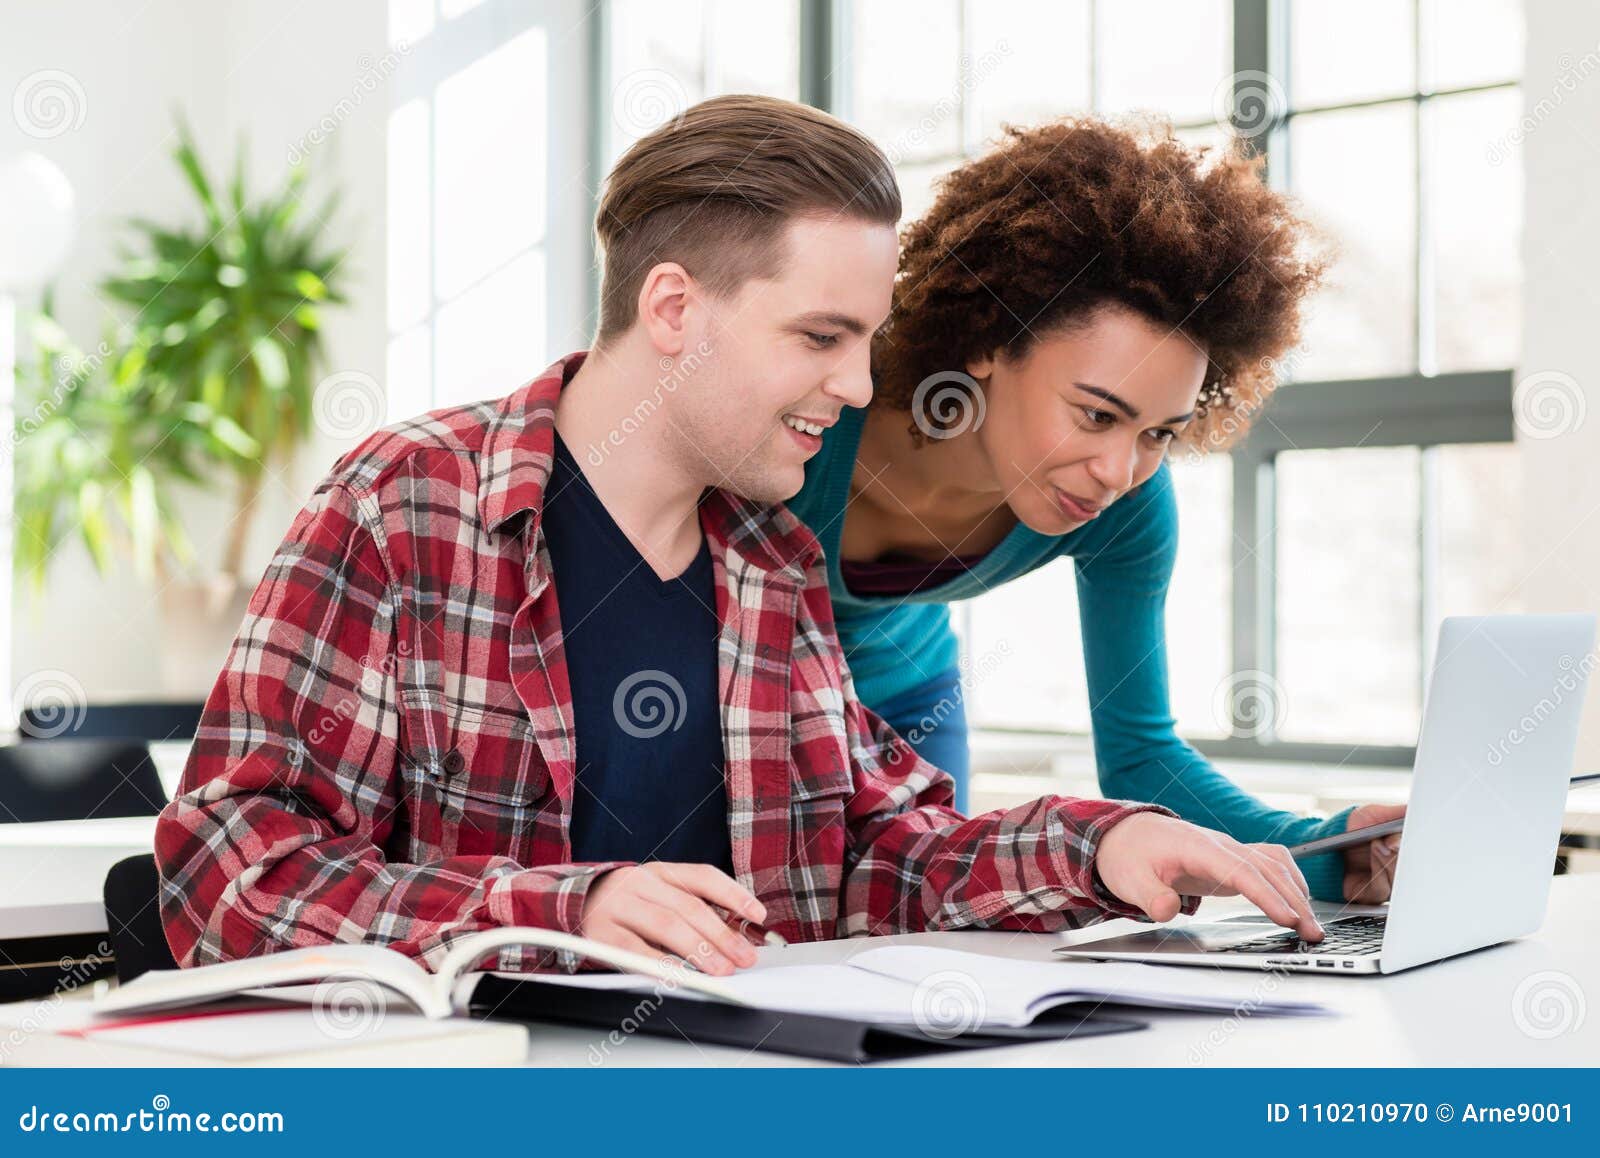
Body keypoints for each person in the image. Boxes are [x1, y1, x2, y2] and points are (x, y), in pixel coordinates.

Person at [155, 95, 1327, 980]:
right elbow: (228, 864)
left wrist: (1099, 849)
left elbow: (870, 861)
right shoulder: (408, 504)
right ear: (674, 309)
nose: (861, 385)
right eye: (821, 337)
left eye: (866, 339)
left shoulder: (770, 560)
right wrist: (560, 912)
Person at [785, 117, 1403, 904]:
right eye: (1096, 414)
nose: (1118, 471)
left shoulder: (1128, 511)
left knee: (912, 928)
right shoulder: (810, 420)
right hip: (738, 696)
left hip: (907, 707)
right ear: (987, 341)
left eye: (1159, 432)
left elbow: (1141, 756)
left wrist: (1327, 849)